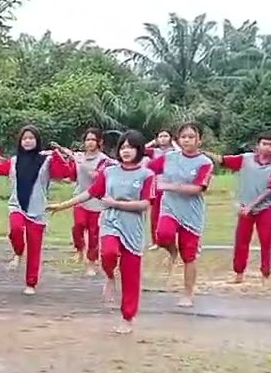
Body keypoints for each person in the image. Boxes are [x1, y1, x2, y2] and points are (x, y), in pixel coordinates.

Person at [48, 131, 155, 334]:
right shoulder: (110, 172)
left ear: (139, 150)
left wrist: (115, 203)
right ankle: (109, 277)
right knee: (108, 253)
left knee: (131, 275)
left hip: (133, 228)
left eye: (130, 147)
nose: (126, 151)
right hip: (110, 223)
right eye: (123, 147)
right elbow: (89, 193)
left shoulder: (146, 175)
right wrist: (62, 205)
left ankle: (127, 317)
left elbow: (145, 204)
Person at [0, 125, 77, 295]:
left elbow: (64, 173)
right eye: (24, 138)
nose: (27, 141)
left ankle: (31, 283)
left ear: (37, 141)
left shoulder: (46, 161)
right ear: (20, 141)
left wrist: (57, 154)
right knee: (16, 230)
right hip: (17, 206)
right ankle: (18, 252)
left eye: (31, 138)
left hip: (38, 209)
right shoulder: (13, 161)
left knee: (35, 248)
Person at [144, 123, 214, 307]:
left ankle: (188, 293)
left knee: (189, 255)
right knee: (162, 235)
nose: (187, 140)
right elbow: (148, 169)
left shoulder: (205, 163)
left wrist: (167, 186)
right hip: (170, 208)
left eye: (191, 136)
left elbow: (198, 188)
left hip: (191, 213)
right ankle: (171, 250)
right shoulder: (169, 158)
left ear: (199, 140)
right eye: (183, 137)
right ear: (178, 139)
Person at [204, 135, 271, 283]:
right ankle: (239, 273)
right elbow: (222, 160)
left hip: (265, 207)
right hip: (244, 206)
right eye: (264, 144)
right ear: (257, 146)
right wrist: (203, 152)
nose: (267, 147)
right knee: (241, 241)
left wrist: (252, 206)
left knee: (266, 241)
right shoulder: (245, 159)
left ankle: (266, 274)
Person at [68, 127, 113, 276]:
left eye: (93, 140)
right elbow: (72, 175)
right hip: (80, 197)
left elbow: (96, 176)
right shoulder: (79, 156)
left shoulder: (104, 160)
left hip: (97, 201)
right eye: (88, 140)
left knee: (94, 233)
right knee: (78, 226)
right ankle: (79, 249)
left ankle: (91, 262)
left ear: (99, 142)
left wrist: (81, 162)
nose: (90, 143)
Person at [144, 129, 177, 249]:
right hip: (157, 187)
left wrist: (174, 143)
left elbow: (182, 151)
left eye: (166, 136)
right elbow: (138, 150)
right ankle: (156, 241)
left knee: (173, 214)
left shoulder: (175, 151)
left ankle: (172, 239)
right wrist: (153, 142)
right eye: (160, 136)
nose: (163, 138)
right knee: (155, 214)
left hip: (172, 187)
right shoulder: (154, 152)